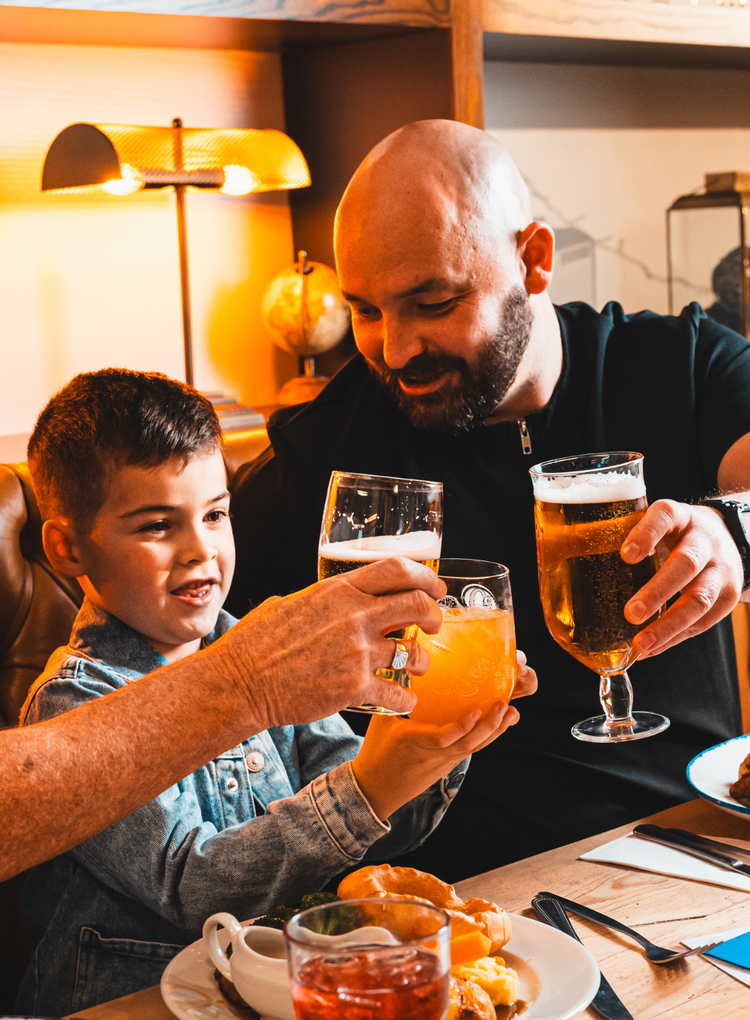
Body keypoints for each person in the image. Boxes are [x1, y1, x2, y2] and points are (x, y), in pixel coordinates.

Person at [227, 119, 750, 881]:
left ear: (533, 260)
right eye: (367, 312)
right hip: (451, 888)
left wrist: (733, 530)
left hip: (693, 848)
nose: (397, 350)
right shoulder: (330, 443)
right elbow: (198, 637)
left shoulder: (682, 365)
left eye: (432, 303)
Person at [17, 369, 535, 1016]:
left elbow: (372, 831)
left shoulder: (266, 646)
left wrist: (437, 733)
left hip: (264, 1000)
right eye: (156, 526)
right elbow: (195, 885)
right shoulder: (71, 703)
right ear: (66, 549)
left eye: (215, 514)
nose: (200, 549)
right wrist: (369, 786)